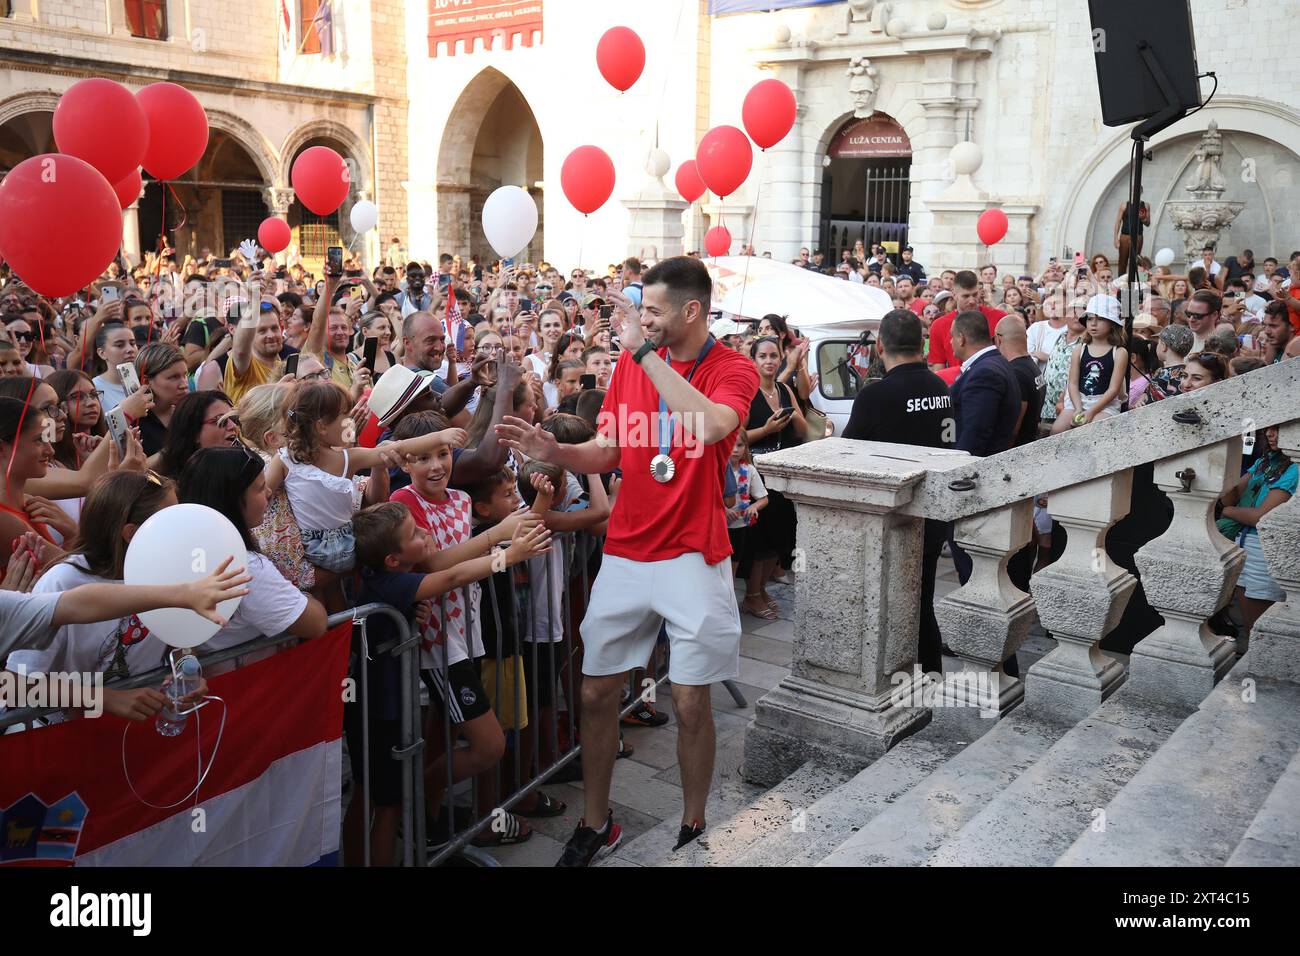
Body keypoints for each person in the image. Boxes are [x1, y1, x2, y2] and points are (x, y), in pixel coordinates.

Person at [495, 256, 758, 865]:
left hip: (694, 551)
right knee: (595, 692)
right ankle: (596, 822)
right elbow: (609, 449)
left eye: (654, 312)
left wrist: (642, 357)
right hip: (629, 550)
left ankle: (694, 827)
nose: (643, 322)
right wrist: (554, 448)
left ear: (692, 311)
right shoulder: (632, 367)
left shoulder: (731, 368)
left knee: (692, 701)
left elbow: (715, 425)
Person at [347, 498, 550, 862]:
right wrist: (510, 554)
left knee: (374, 798)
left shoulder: (389, 581)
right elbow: (453, 576)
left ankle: (421, 808)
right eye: (414, 533)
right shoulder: (393, 584)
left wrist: (412, 615)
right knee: (385, 806)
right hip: (379, 709)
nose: (424, 532)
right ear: (393, 559)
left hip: (381, 704)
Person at [841, 310, 953, 673]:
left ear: (880, 345)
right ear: (921, 344)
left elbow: (848, 456)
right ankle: (928, 671)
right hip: (932, 514)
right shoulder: (940, 388)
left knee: (888, 602)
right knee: (922, 597)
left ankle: (896, 672)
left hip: (891, 518)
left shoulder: (876, 395)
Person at [176, 446, 328, 658]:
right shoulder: (244, 567)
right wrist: (303, 594)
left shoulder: (182, 545)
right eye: (259, 488)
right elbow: (316, 623)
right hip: (247, 680)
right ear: (231, 500)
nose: (268, 492)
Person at [1218, 425, 1296, 634]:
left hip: (1263, 550)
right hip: (1243, 545)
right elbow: (1229, 495)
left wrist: (1229, 511)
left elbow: (1260, 516)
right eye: (1268, 429)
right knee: (1251, 626)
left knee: (1259, 630)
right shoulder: (1265, 461)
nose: (1270, 434)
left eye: (1278, 429)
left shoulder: (1295, 468)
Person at [949, 310, 1022, 457]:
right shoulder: (996, 363)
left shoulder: (985, 373)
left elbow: (974, 433)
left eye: (952, 336)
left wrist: (956, 467)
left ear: (961, 338)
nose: (950, 342)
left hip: (975, 469)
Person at [1052, 294, 1129, 433]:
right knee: (1057, 429)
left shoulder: (1119, 352)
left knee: (1094, 431)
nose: (1093, 323)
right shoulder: (1079, 349)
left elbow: (1113, 390)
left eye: (1100, 319)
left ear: (1112, 323)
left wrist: (1091, 411)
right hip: (1078, 401)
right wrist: (1078, 408)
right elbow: (1073, 383)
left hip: (1105, 405)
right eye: (1090, 319)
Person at [928, 270, 1007, 372]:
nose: (972, 301)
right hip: (956, 384)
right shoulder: (939, 325)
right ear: (954, 294)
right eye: (965, 296)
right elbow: (938, 369)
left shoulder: (1000, 319)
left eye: (975, 294)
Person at [153, 390, 240, 477]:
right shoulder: (174, 487)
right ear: (194, 432)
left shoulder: (246, 471)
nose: (232, 426)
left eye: (233, 418)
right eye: (221, 420)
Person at [995, 314, 1044, 447]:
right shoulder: (1032, 366)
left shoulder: (1015, 373)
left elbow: (1014, 426)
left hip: (1018, 449)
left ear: (999, 340)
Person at [133, 344, 189, 456]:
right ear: (146, 382)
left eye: (185, 375)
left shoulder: (191, 412)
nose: (184, 384)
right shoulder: (131, 420)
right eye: (174, 377)